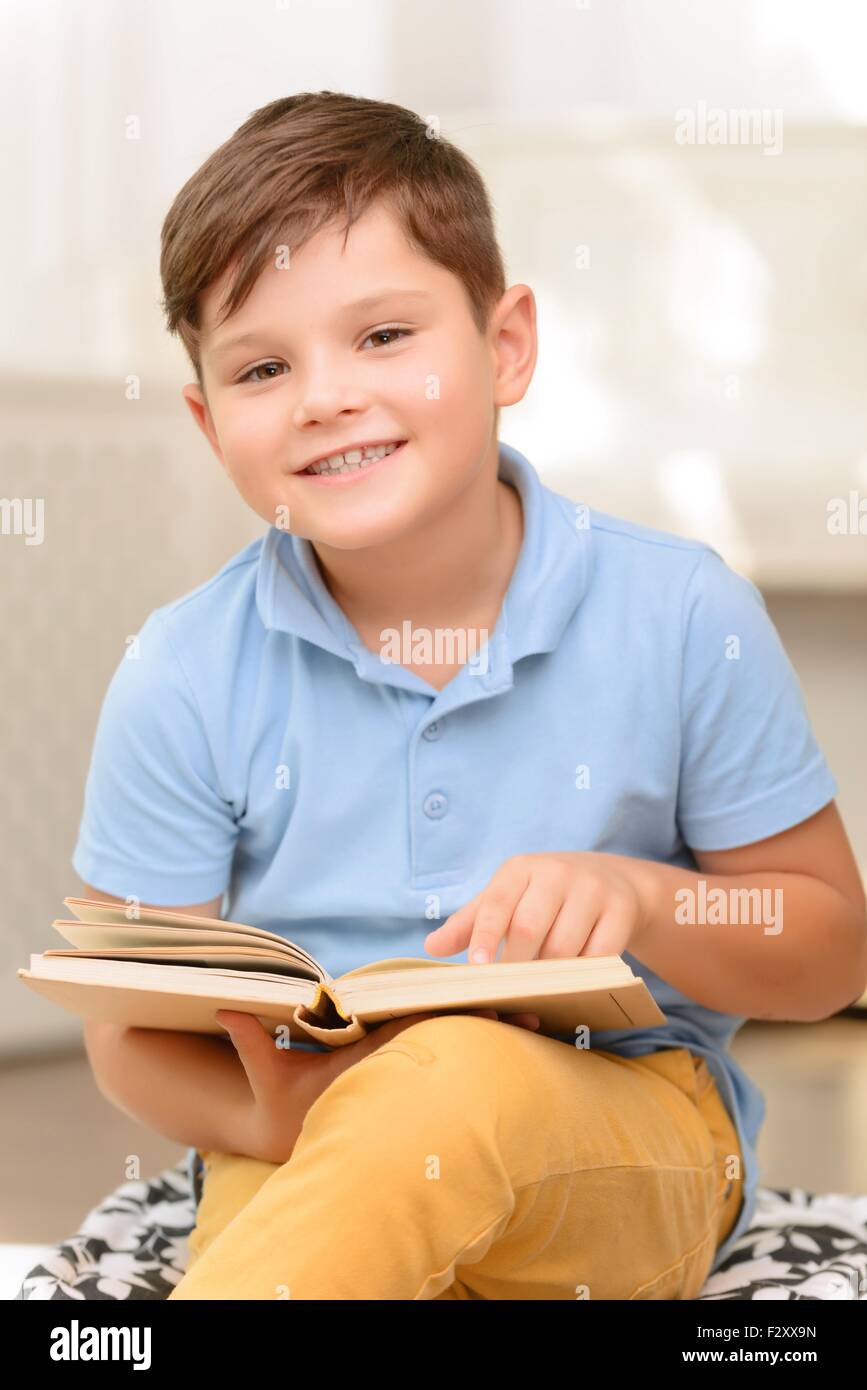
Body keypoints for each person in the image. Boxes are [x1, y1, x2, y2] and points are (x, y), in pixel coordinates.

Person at [80, 92, 866, 1300]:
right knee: (338, 1221)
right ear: (206, 420)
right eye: (262, 367)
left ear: (506, 346)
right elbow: (128, 1031)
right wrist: (293, 1115)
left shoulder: (681, 612)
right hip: (304, 1131)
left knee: (444, 1090)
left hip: (628, 1124)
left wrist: (639, 899)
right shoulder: (182, 669)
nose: (325, 396)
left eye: (384, 336)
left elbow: (824, 950)